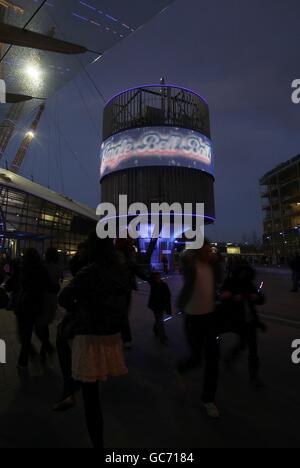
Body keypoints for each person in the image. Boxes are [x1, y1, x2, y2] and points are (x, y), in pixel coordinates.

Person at [58, 233, 131, 449]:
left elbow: (64, 299)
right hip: (111, 336)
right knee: (94, 387)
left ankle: (96, 441)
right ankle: (70, 390)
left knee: (91, 398)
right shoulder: (120, 271)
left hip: (90, 336)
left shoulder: (88, 271)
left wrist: (79, 307)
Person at [177, 243, 220, 419]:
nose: (209, 253)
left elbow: (219, 280)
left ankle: (208, 400)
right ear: (197, 251)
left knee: (213, 358)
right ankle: (180, 369)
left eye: (210, 250)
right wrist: (190, 253)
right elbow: (183, 258)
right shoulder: (190, 266)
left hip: (209, 318)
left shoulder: (213, 267)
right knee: (196, 358)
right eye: (206, 250)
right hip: (192, 318)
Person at [220, 263, 266, 387]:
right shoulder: (230, 282)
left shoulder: (248, 284)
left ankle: (253, 377)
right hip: (236, 320)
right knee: (243, 344)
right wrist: (231, 297)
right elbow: (222, 297)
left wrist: (256, 297)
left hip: (249, 321)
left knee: (252, 350)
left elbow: (261, 299)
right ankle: (229, 358)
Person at [16, 249, 58, 369]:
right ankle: (46, 348)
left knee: (25, 335)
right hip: (37, 305)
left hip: (23, 305)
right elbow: (51, 287)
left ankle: (24, 360)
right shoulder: (41, 269)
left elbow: (19, 285)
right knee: (37, 330)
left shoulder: (23, 268)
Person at [36, 248, 61, 362]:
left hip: (43, 298)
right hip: (52, 299)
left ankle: (46, 347)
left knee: (40, 325)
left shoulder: (44, 267)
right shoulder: (58, 267)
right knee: (44, 324)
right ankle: (44, 350)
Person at [148, 272, 172, 344]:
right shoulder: (153, 285)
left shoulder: (164, 285)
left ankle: (155, 329)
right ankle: (162, 337)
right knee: (160, 321)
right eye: (157, 278)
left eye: (159, 277)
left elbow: (168, 295)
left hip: (161, 306)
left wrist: (166, 305)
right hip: (155, 306)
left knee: (158, 320)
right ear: (154, 279)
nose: (158, 279)